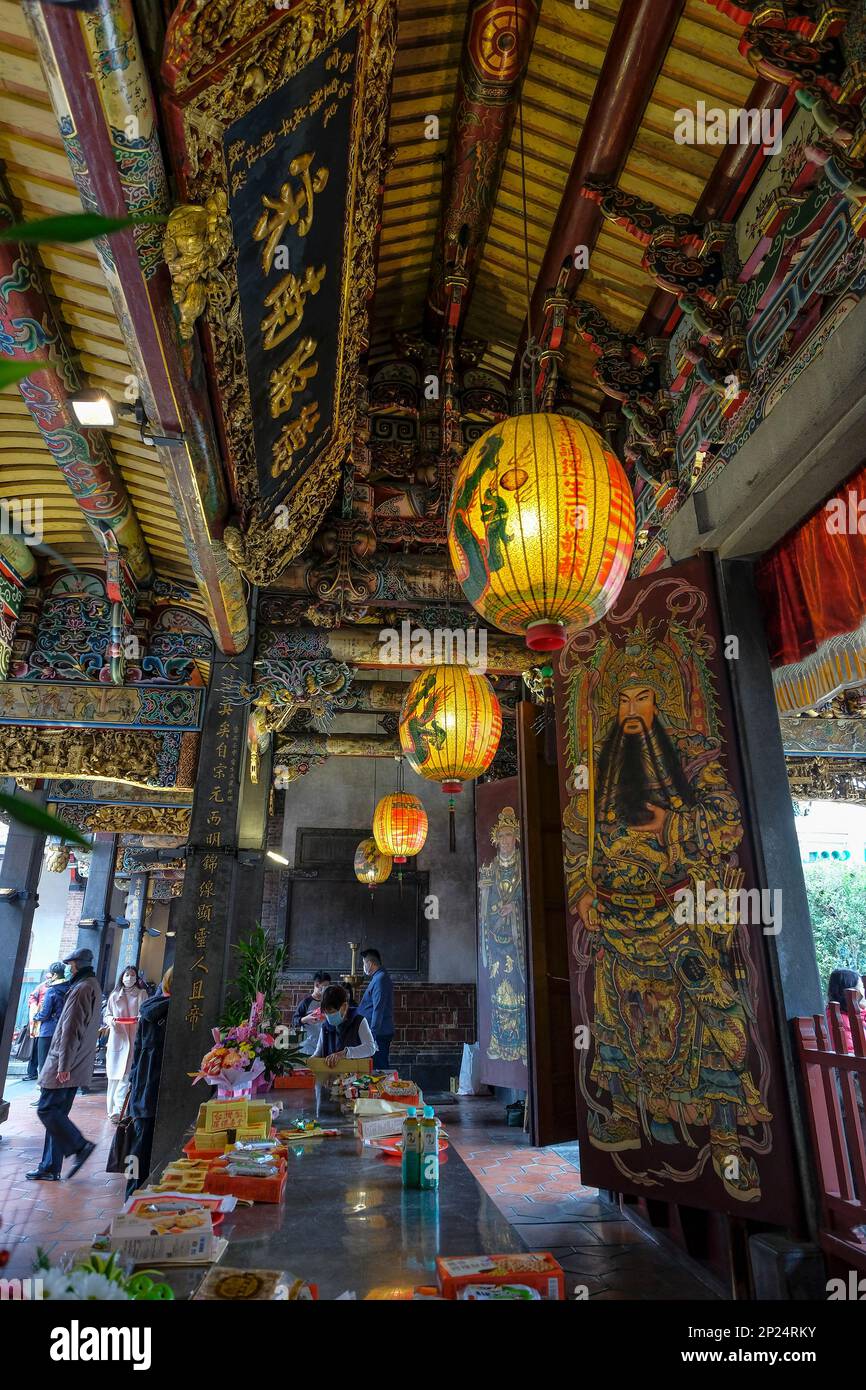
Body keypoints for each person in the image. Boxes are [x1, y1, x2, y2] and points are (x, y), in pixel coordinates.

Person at [27, 947, 101, 1182]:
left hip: (66, 1061)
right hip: (78, 1061)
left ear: (76, 965)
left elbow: (70, 1030)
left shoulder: (81, 988)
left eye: (70, 965)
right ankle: (50, 1166)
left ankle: (80, 1146)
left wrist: (63, 1065)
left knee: (47, 1109)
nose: (68, 969)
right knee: (57, 1114)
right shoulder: (93, 985)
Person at [125, 966, 172, 1197]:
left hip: (143, 1089)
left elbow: (138, 1051)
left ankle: (130, 1197)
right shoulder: (174, 1011)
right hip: (158, 1090)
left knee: (138, 1149)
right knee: (146, 1149)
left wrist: (133, 1081)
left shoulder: (149, 1009)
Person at [104, 966, 148, 1120]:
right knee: (114, 1076)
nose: (129, 977)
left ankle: (119, 1109)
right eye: (127, 975)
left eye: (132, 975)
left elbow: (144, 1013)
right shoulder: (114, 995)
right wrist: (111, 1021)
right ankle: (112, 1109)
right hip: (118, 1038)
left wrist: (139, 1020)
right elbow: (107, 1014)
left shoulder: (141, 994)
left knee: (126, 1075)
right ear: (122, 977)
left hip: (133, 1037)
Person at [312, 984, 376, 1069]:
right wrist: (308, 1064)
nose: (328, 1016)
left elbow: (370, 1048)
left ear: (344, 1006)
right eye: (326, 1012)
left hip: (355, 1074)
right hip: (331, 1075)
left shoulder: (359, 1021)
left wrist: (344, 1053)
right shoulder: (325, 1026)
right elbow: (318, 1053)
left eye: (332, 1011)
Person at [31, 962, 71, 1095]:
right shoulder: (70, 988)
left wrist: (36, 1016)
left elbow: (45, 1013)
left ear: (54, 974)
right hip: (64, 1030)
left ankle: (44, 1094)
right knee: (58, 1063)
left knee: (44, 1064)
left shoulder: (52, 990)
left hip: (48, 1030)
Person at [357, 948, 394, 1069]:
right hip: (377, 1032)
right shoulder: (378, 978)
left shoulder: (380, 979)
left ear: (370, 963)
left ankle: (384, 1088)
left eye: (364, 963)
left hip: (379, 1034)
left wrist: (371, 1035)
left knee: (380, 1069)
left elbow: (378, 1009)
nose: (364, 966)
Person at [827, 969, 866, 1053]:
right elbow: (850, 1055)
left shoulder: (857, 1015)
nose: (864, 991)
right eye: (861, 987)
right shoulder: (839, 1020)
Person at [292, 971, 330, 1056]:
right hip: (308, 1045)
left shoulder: (328, 1002)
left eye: (328, 986)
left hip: (325, 1045)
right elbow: (294, 1021)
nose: (326, 989)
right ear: (317, 985)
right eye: (324, 986)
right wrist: (306, 1019)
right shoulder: (306, 1002)